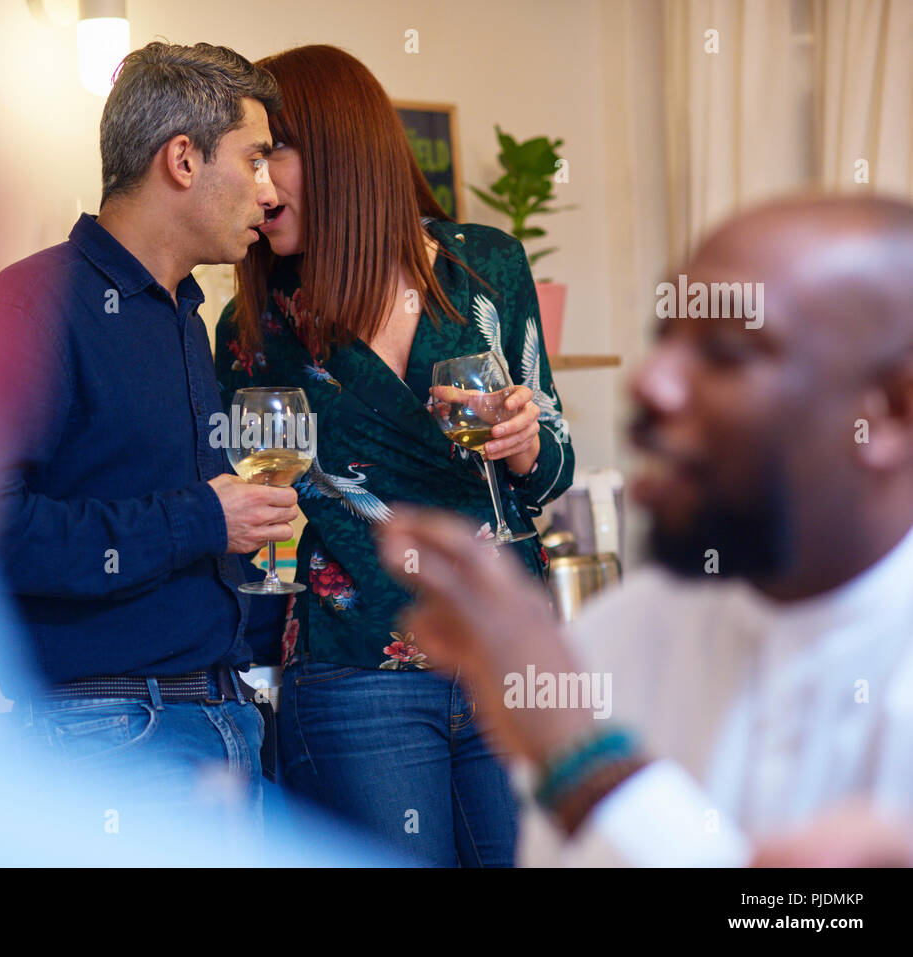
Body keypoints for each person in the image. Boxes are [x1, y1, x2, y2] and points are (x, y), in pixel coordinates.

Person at [377, 194, 913, 866]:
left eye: (727, 353)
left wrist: (581, 765)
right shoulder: (618, 637)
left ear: (890, 410)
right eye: (666, 340)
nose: (651, 383)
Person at [0, 41, 302, 828]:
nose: (270, 192)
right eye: (256, 158)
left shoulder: (186, 314)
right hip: (109, 734)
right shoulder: (32, 303)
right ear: (183, 159)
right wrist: (206, 516)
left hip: (216, 715)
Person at [213, 45, 575, 866]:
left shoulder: (487, 270)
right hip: (354, 673)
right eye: (253, 159)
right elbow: (239, 513)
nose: (261, 184)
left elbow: (554, 474)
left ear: (342, 151)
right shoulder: (252, 329)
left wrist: (524, 442)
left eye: (276, 153)